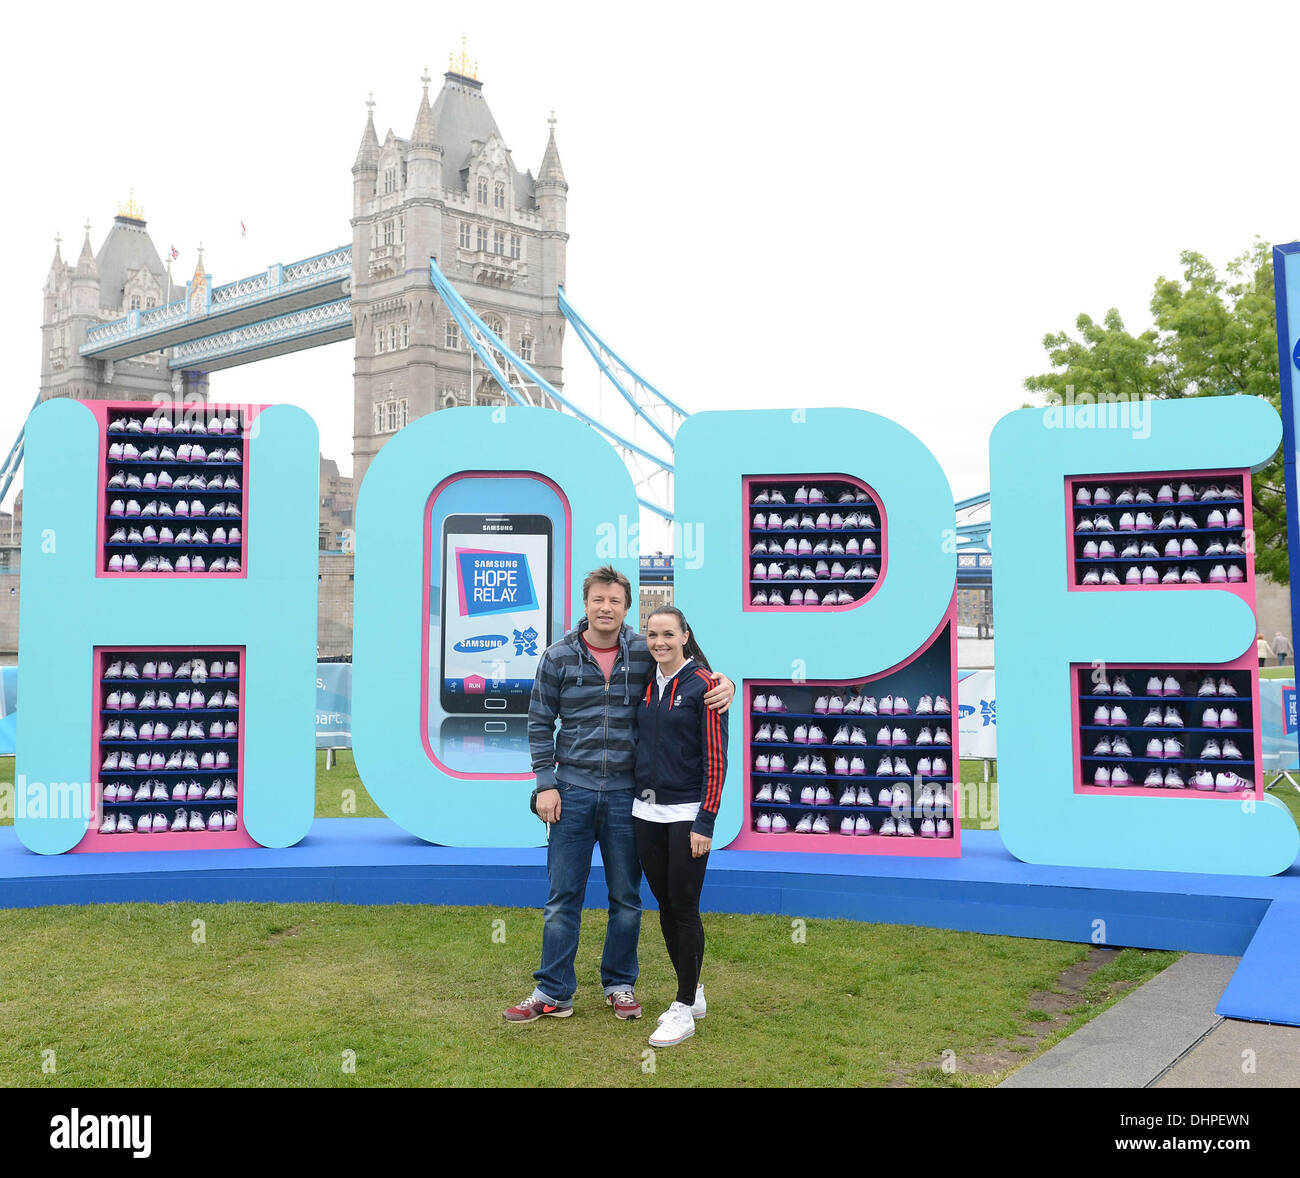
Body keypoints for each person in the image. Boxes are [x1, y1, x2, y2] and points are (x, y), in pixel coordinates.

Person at [503, 567, 733, 1024]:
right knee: (562, 897)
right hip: (571, 792)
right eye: (597, 600)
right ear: (585, 604)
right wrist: (545, 783)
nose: (606, 608)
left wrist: (721, 683)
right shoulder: (558, 656)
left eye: (615, 601)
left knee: (626, 897)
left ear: (626, 608)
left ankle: (620, 984)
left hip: (630, 797)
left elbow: (688, 665)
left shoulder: (642, 650)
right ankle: (553, 992)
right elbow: (537, 720)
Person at [634, 606, 726, 1048]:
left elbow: (716, 759)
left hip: (687, 814)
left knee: (685, 906)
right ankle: (694, 993)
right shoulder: (645, 681)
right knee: (665, 904)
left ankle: (684, 1006)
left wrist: (705, 821)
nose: (660, 642)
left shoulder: (706, 686)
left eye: (668, 634)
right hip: (645, 813)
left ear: (685, 635)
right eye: (653, 635)